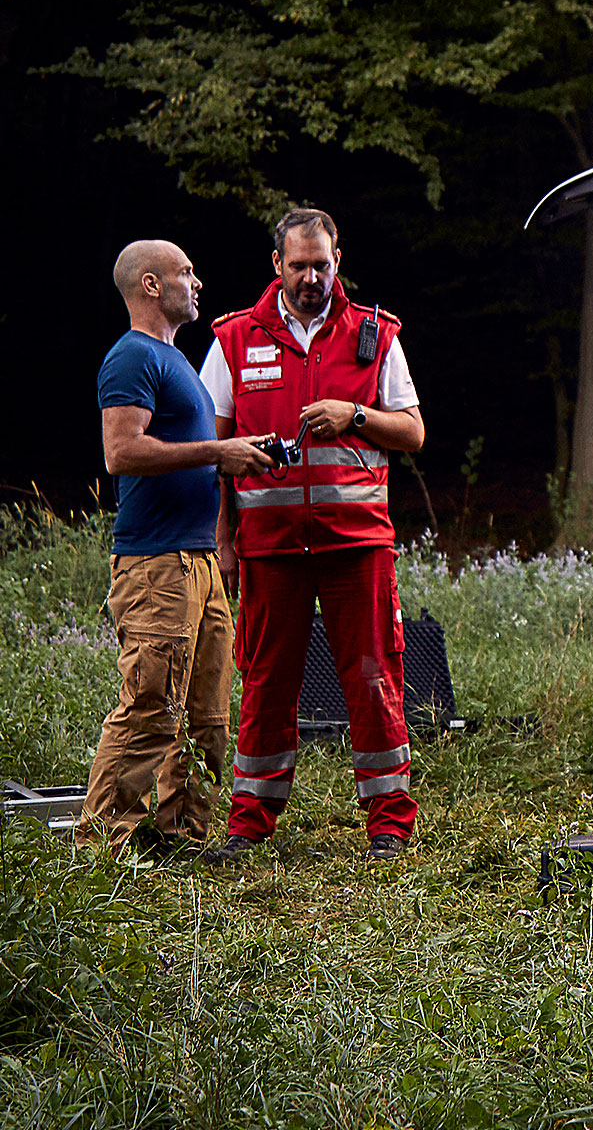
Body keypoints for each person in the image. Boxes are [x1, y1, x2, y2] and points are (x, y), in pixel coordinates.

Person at [198, 208, 426, 863]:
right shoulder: (234, 339)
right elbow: (215, 450)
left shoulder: (375, 335)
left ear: (338, 261)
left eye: (320, 265)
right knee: (266, 681)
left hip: (358, 543)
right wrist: (225, 538)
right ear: (277, 265)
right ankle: (248, 824)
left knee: (373, 678)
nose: (309, 277)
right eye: (297, 265)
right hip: (269, 549)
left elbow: (412, 433)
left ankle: (389, 823)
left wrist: (354, 414)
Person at [87, 239, 277, 857]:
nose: (197, 282)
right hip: (156, 563)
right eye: (185, 272)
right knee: (149, 708)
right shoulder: (130, 358)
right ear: (150, 286)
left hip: (198, 561)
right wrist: (217, 452)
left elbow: (189, 453)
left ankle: (182, 840)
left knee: (205, 717)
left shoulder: (177, 364)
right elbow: (121, 452)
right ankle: (102, 850)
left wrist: (244, 451)